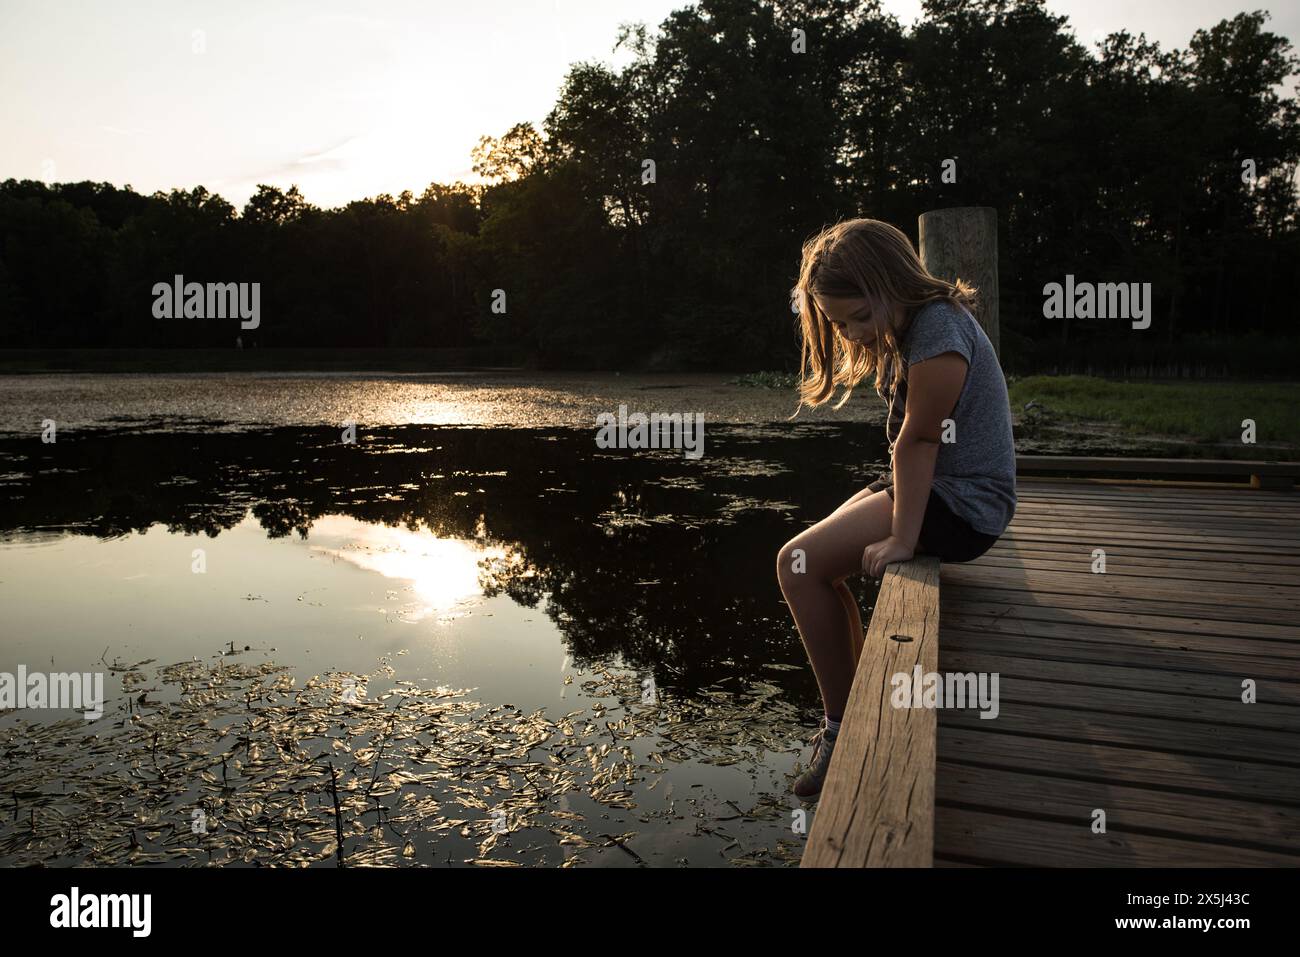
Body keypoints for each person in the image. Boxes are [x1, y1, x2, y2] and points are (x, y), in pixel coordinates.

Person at [777, 218, 1017, 799]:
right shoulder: (920, 326)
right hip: (942, 490)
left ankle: (839, 729)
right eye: (838, 324)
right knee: (819, 555)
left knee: (797, 563)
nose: (853, 335)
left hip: (965, 506)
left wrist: (902, 540)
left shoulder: (937, 329)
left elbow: (920, 441)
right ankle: (856, 705)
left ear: (893, 286)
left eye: (859, 317)